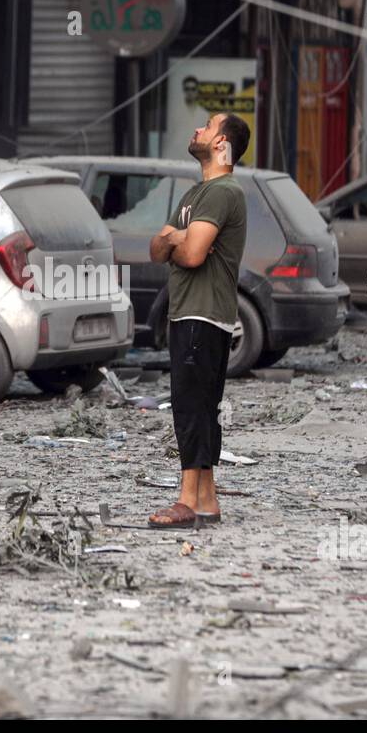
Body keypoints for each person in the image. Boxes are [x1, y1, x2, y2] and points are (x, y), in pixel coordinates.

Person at [146, 112, 250, 528]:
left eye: (207, 126)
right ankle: (207, 501)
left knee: (191, 407)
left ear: (222, 142)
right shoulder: (195, 193)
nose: (196, 130)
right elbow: (157, 249)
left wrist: (177, 239)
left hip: (202, 315)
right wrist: (175, 238)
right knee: (202, 408)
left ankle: (186, 501)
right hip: (191, 312)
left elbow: (189, 254)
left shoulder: (224, 192)